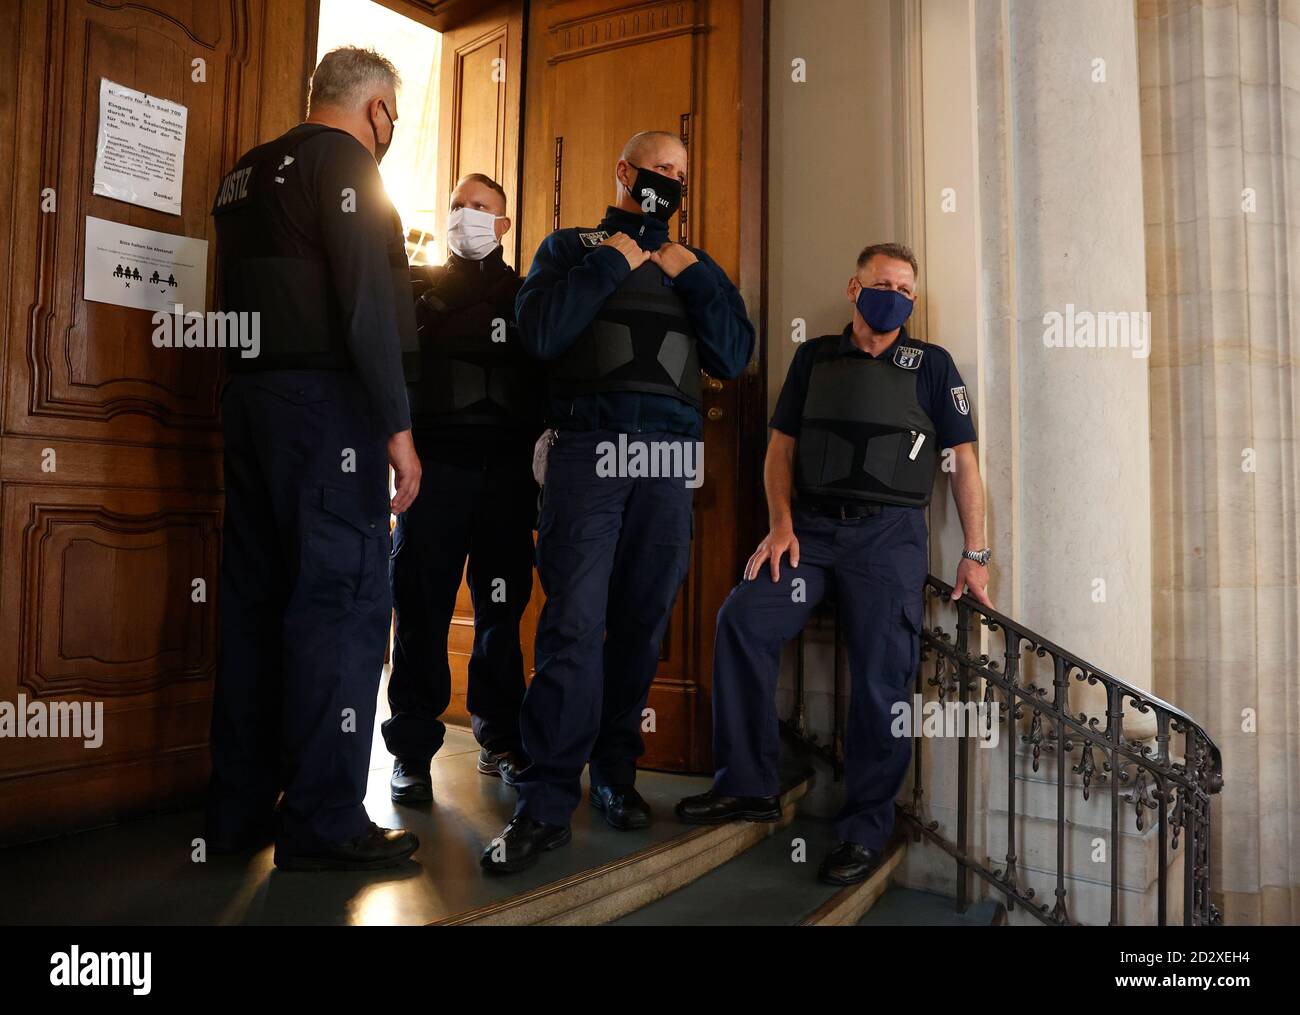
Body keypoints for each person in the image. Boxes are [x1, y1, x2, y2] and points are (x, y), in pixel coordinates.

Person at [675, 243, 992, 886]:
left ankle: (864, 830)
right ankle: (747, 785)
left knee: (882, 676)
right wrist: (780, 524)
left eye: (907, 290)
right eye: (885, 285)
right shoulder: (813, 356)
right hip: (810, 536)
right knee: (744, 619)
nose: (896, 298)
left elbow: (963, 462)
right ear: (854, 288)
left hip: (888, 541)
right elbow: (779, 449)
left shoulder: (932, 366)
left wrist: (975, 553)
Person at [481, 130, 755, 874]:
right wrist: (612, 260)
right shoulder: (570, 248)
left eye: (679, 173)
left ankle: (615, 773)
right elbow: (539, 333)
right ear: (624, 170)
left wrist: (689, 275)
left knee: (643, 621)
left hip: (667, 460)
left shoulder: (697, 265)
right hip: (587, 450)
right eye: (657, 168)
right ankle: (543, 804)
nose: (668, 180)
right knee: (573, 623)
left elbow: (734, 354)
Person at [207, 46, 423, 871]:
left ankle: (236, 814)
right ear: (374, 111)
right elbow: (369, 306)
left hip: (248, 402)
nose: (389, 134)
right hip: (327, 415)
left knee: (254, 605)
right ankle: (325, 821)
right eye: (392, 119)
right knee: (340, 609)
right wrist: (399, 432)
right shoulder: (349, 167)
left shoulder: (244, 172)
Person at [383, 173, 541, 803]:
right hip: (432, 472)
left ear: (503, 225)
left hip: (505, 475)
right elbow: (391, 373)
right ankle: (413, 751)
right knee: (419, 610)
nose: (466, 216)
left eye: (481, 208)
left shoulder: (528, 295)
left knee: (501, 611)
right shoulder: (415, 289)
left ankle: (500, 739)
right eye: (458, 206)